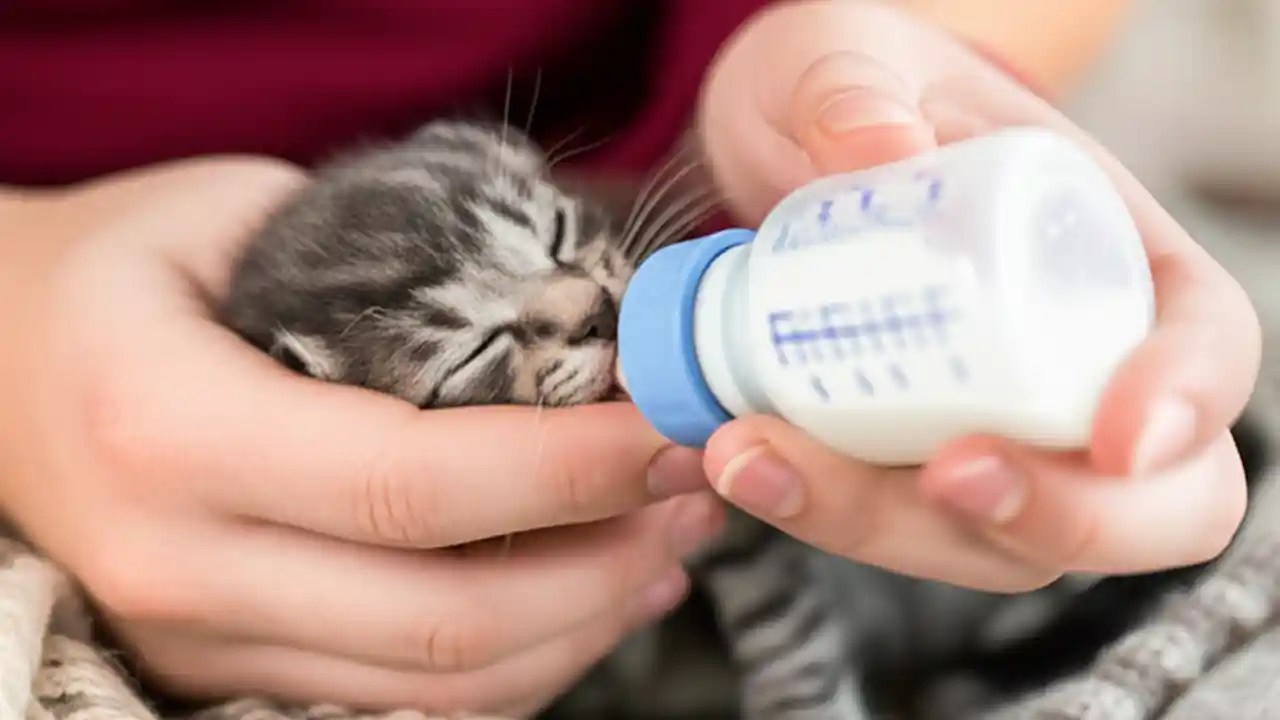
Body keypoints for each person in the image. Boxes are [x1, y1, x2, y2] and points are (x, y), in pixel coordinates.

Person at [0, 0, 1258, 716]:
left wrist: (845, 53)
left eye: (553, 236)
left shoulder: (609, 214)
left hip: (731, 162)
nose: (578, 304)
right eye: (495, 343)